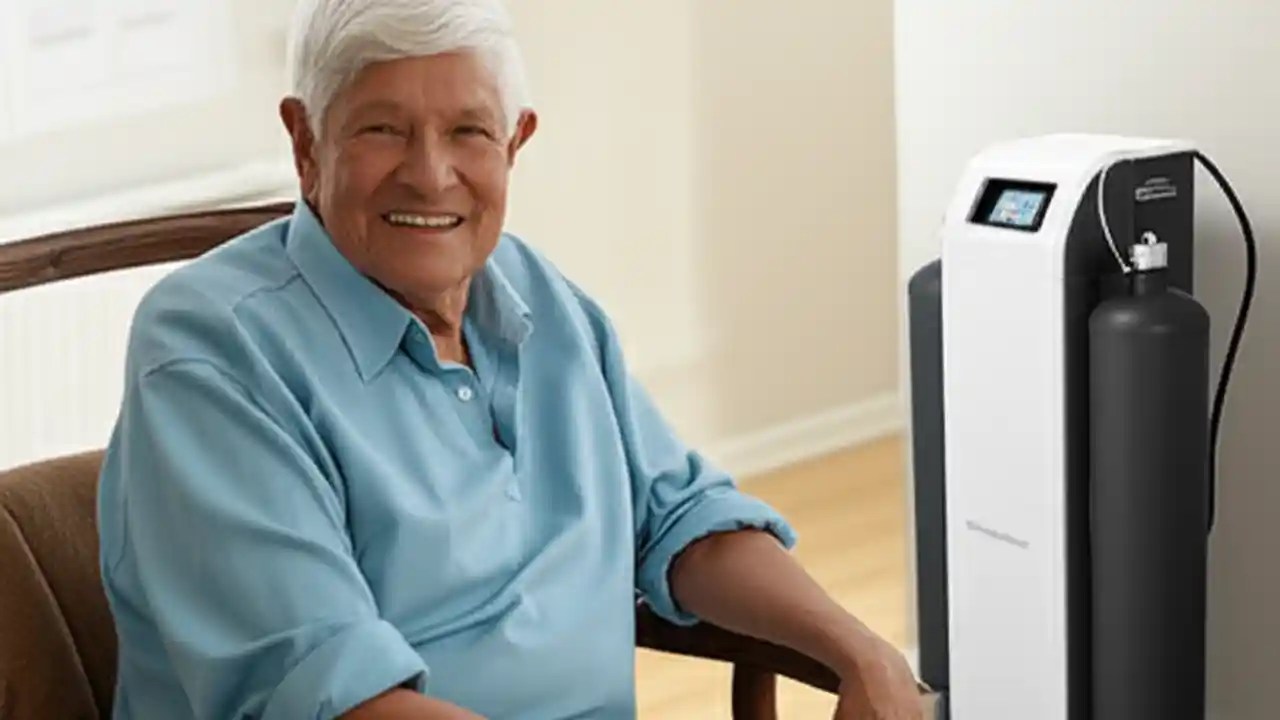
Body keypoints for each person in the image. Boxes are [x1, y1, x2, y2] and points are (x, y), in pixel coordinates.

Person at [96, 1, 921, 718]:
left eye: (468, 131)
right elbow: (330, 694)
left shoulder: (539, 297)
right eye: (383, 129)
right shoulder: (211, 351)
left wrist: (865, 654)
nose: (430, 176)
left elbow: (681, 519)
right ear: (305, 142)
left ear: (515, 141)